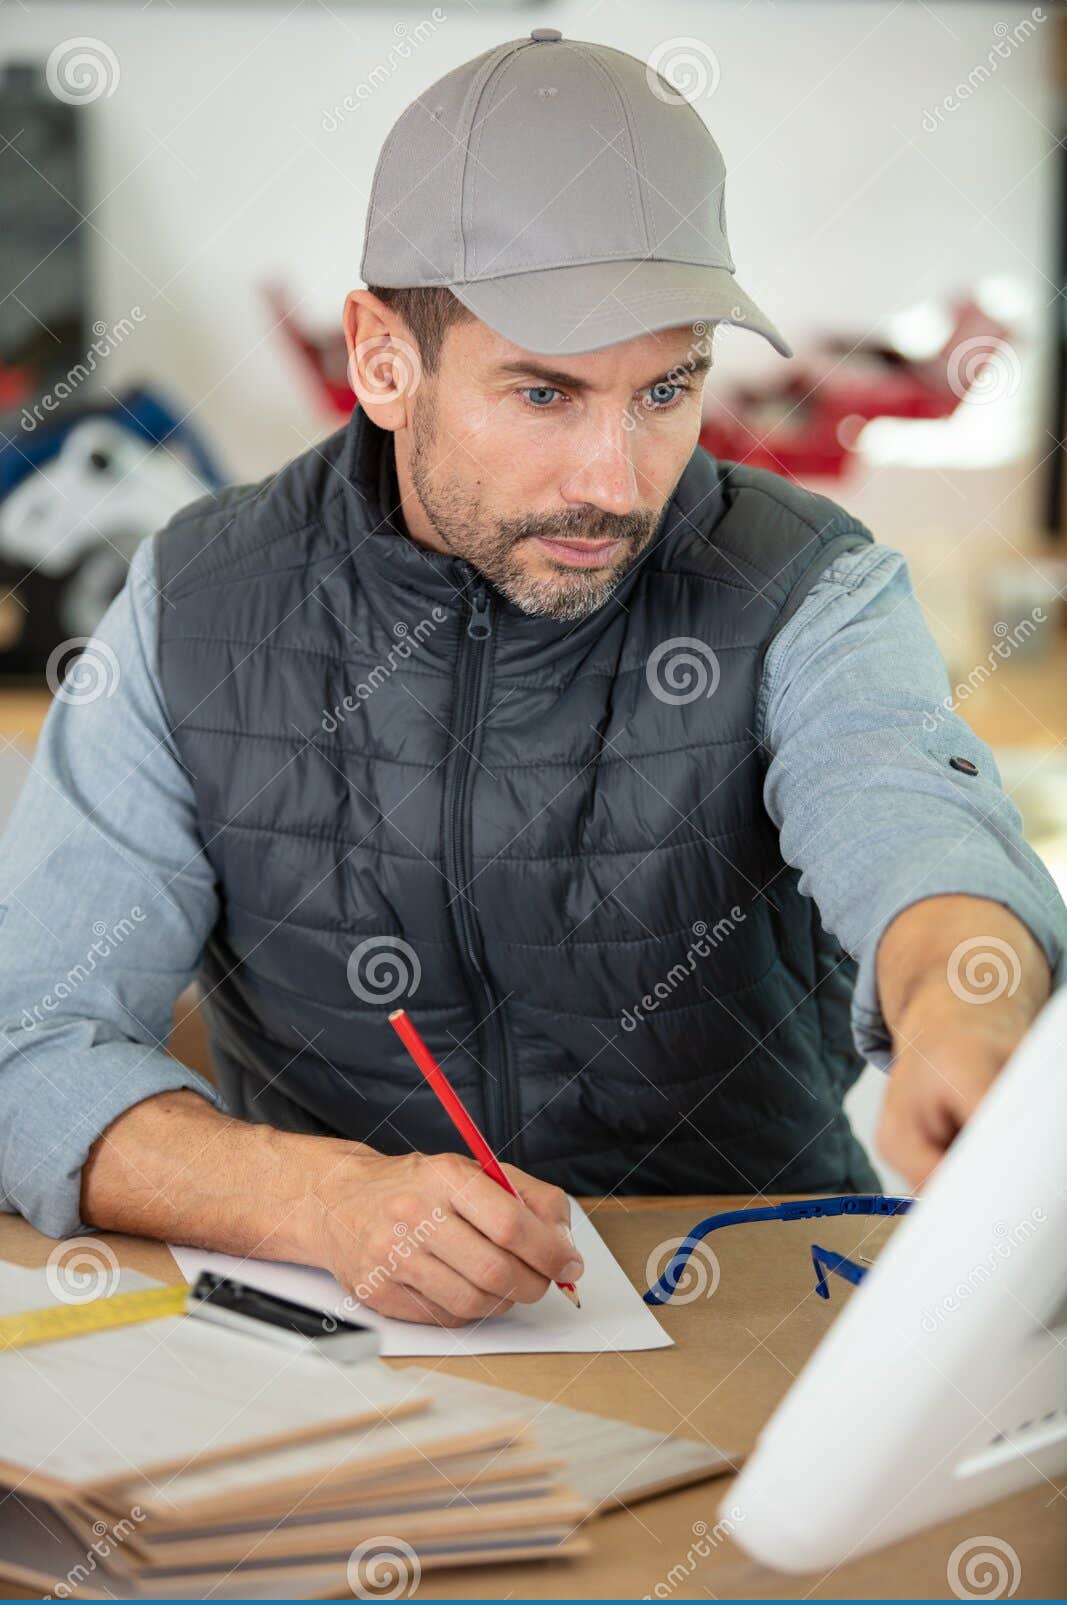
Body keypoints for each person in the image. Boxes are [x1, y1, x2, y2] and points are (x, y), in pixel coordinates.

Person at [1, 31, 1063, 1328]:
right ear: (383, 358)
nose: (616, 484)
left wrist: (967, 1006)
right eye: (547, 394)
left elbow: (918, 823)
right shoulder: (192, 604)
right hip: (345, 1356)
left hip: (761, 1333)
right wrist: (327, 1200)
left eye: (666, 388)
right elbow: (28, 1055)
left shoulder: (805, 584)